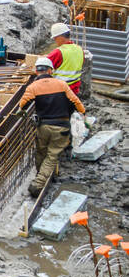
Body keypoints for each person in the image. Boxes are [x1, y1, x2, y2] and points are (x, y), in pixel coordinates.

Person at [17, 56, 86, 197]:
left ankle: (41, 175)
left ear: (37, 71)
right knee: (52, 156)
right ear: (50, 71)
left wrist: (23, 111)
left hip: (43, 127)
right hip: (61, 127)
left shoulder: (33, 87)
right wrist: (83, 113)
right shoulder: (61, 85)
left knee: (41, 152)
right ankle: (39, 183)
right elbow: (77, 103)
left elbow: (22, 105)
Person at [46, 23, 87, 97]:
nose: (55, 41)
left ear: (60, 37)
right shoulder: (79, 49)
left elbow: (43, 67)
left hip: (59, 91)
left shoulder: (59, 52)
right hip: (74, 91)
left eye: (55, 38)